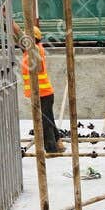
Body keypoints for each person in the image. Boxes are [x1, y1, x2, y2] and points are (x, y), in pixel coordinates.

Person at [21, 24, 63, 154]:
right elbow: (16, 35)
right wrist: (7, 22)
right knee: (48, 119)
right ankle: (58, 143)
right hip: (42, 93)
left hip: (43, 92)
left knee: (45, 122)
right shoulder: (31, 50)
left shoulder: (36, 51)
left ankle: (51, 149)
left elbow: (38, 68)